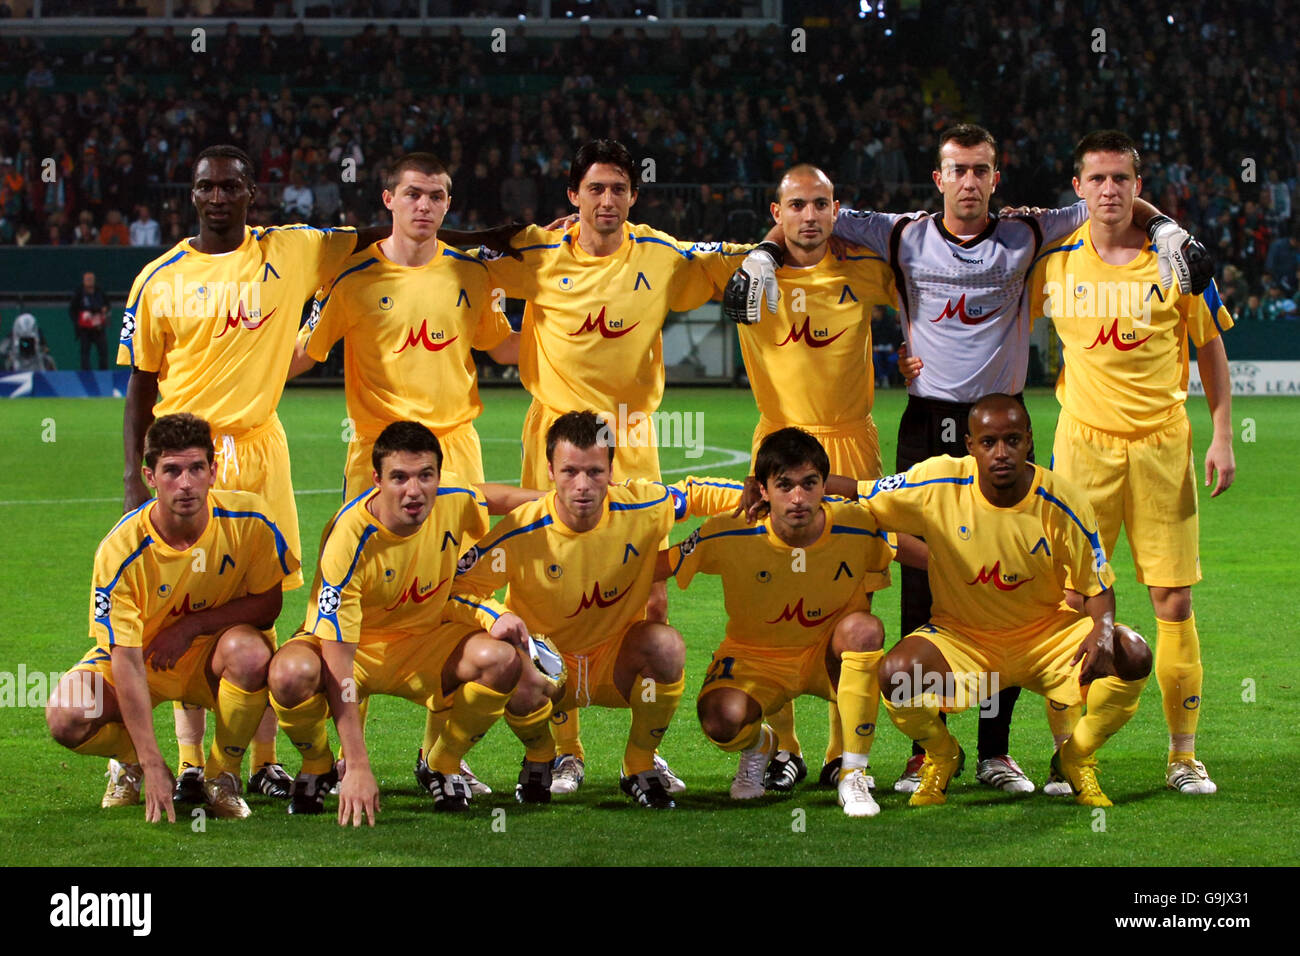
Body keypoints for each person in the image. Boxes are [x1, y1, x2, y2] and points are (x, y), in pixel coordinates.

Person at [726, 123, 1210, 794]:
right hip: (928, 421)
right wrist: (759, 253)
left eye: (982, 169)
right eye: (958, 169)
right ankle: (928, 749)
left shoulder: (1028, 231)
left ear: (995, 177)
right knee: (923, 580)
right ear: (939, 178)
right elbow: (814, 213)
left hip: (1002, 422)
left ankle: (995, 751)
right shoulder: (900, 233)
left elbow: (1117, 202)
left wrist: (1165, 233)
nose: (971, 181)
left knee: (1018, 586)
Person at [475, 139, 749, 793]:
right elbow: (464, 270)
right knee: (548, 592)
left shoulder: (658, 254)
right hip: (557, 448)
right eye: (595, 188)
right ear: (573, 194)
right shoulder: (536, 254)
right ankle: (564, 749)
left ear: (633, 195)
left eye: (619, 188)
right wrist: (493, 335)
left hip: (632, 444)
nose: (607, 200)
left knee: (649, 595)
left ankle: (642, 756)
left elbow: (740, 270)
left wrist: (763, 315)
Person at [118, 145, 367, 804]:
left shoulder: (294, 250)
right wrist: (132, 478)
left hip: (260, 452)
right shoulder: (158, 277)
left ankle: (261, 761)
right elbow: (140, 384)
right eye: (207, 186)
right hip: (188, 459)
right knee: (184, 604)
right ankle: (192, 760)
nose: (219, 196)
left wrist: (479, 246)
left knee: (263, 605)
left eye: (231, 185)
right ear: (192, 194)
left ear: (252, 192)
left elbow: (389, 238)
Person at [289, 152, 520, 785]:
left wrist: (599, 330)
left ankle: (440, 758)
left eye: (438, 196)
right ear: (388, 200)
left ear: (449, 204)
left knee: (463, 586)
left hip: (456, 449)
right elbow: (301, 357)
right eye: (414, 194)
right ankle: (339, 755)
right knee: (348, 592)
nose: (426, 206)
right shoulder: (352, 276)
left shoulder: (470, 276)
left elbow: (504, 346)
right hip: (377, 456)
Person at [1029, 130, 1235, 794]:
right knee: (1073, 600)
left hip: (1160, 444)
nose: (1110, 190)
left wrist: (1223, 434)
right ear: (1078, 188)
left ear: (1138, 188)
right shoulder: (1053, 260)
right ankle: (1069, 754)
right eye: (1098, 179)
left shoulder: (1177, 260)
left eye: (1122, 179)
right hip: (1081, 447)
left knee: (1172, 597)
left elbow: (1210, 349)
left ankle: (1182, 756)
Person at [835, 394, 1152, 807]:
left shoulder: (1063, 500)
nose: (1001, 453)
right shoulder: (937, 482)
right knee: (897, 673)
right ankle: (943, 755)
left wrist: (1103, 629)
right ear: (970, 445)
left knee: (1132, 652)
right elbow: (860, 493)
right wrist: (781, 486)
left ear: (1028, 441)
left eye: (1012, 440)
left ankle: (1076, 755)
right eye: (988, 442)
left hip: (1045, 637)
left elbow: (1097, 586)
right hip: (964, 639)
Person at [450, 411, 749, 809]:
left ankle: (639, 764)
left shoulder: (641, 505)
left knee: (666, 645)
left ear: (611, 470)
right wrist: (494, 615)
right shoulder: (522, 529)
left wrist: (754, 495)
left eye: (594, 471)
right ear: (550, 472)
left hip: (613, 665)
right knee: (506, 662)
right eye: (570, 471)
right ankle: (542, 756)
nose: (583, 486)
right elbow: (462, 587)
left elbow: (693, 493)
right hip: (547, 673)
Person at [268, 422, 541, 822]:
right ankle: (318, 764)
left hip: (423, 643)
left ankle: (441, 764)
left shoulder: (452, 497)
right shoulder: (348, 537)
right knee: (290, 673)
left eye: (425, 476)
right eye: (399, 478)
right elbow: (339, 660)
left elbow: (490, 497)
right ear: (376, 480)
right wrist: (357, 764)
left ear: (438, 475)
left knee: (501, 660)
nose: (414, 491)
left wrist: (557, 500)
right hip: (354, 650)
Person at [728, 163, 899, 791]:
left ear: (836, 209)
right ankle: (784, 747)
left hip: (850, 444)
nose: (808, 216)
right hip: (776, 443)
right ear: (777, 213)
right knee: (774, 597)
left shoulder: (862, 268)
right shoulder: (746, 271)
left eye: (820, 204)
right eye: (796, 205)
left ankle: (839, 753)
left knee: (855, 597)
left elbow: (927, 290)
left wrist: (914, 352)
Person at [44, 413, 299, 822]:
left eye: (197, 468)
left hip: (212, 659)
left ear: (213, 472)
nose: (186, 483)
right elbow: (124, 660)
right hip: (143, 659)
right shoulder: (119, 550)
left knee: (251, 653)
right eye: (172, 470)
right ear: (149, 476)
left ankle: (221, 775)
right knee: (66, 712)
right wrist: (150, 760)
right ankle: (130, 762)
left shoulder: (251, 520)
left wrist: (191, 627)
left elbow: (269, 605)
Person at [660, 427, 925, 816]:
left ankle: (852, 773)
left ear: (824, 486)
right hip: (756, 657)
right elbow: (659, 566)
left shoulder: (856, 524)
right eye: (784, 485)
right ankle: (760, 747)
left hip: (824, 656)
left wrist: (979, 568)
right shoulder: (731, 530)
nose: (798, 498)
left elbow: (924, 556)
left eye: (809, 484)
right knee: (720, 720)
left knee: (864, 630)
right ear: (762, 489)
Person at [70, 271, 111, 371]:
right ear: (84, 281)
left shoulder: (99, 291)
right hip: (85, 328)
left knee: (103, 351)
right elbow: (72, 309)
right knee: (85, 352)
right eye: (87, 279)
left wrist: (104, 310)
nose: (89, 281)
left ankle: (103, 373)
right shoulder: (79, 293)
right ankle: (86, 375)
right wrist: (79, 321)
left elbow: (107, 305)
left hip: (98, 327)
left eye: (91, 279)